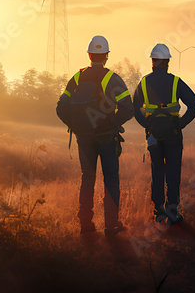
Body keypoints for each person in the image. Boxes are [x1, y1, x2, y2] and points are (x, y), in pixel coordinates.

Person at [57, 35, 133, 237]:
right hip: (107, 138)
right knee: (111, 180)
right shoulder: (113, 79)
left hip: (84, 138)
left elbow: (61, 108)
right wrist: (112, 124)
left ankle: (85, 224)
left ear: (89, 55)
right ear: (106, 56)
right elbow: (128, 109)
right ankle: (111, 225)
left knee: (87, 178)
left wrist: (76, 126)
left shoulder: (77, 78)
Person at [132, 43, 195, 224]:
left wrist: (147, 128)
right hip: (173, 135)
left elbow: (134, 107)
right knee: (173, 172)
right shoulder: (176, 82)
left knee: (157, 171)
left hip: (153, 135)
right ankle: (172, 212)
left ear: (152, 62)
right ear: (168, 62)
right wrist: (180, 124)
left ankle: (159, 212)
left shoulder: (144, 82)